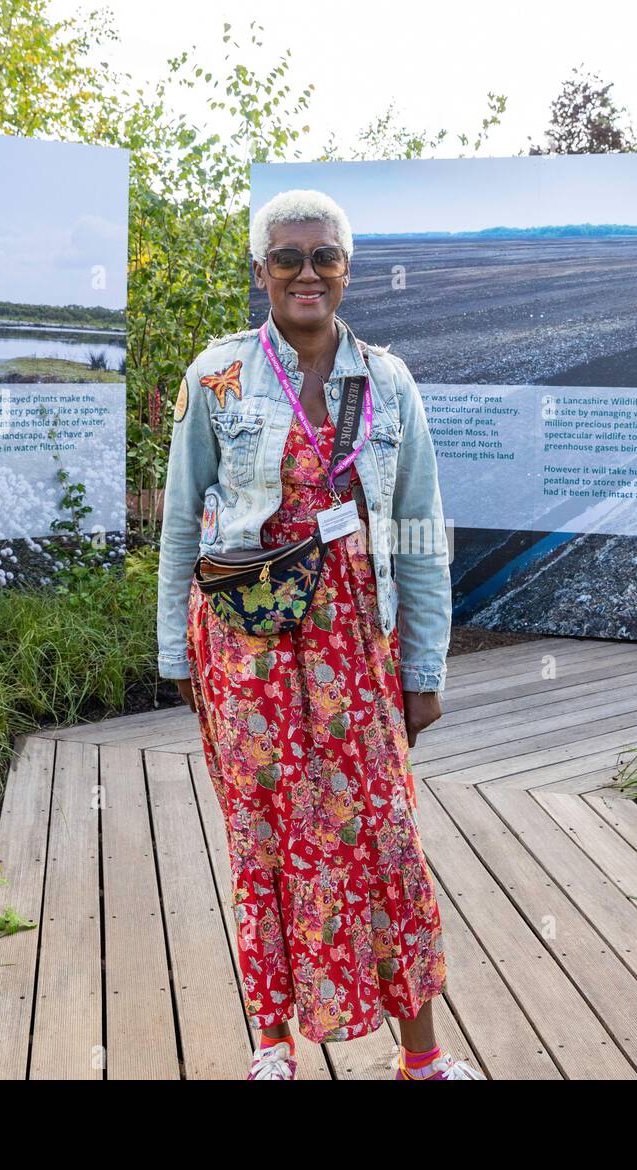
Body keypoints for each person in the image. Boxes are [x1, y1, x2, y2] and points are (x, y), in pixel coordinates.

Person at [156, 188, 485, 1080]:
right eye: (288, 257)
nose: (307, 272)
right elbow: (181, 524)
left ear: (347, 269)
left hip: (354, 650)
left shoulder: (389, 383)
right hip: (246, 650)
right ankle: (272, 1044)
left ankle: (421, 1059)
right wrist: (170, 653)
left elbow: (420, 530)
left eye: (324, 257)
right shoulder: (215, 378)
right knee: (264, 840)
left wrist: (424, 667)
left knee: (383, 834)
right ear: (261, 271)